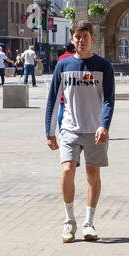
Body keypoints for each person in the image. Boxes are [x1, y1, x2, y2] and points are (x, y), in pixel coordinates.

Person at [44, 20, 114, 243]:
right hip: (70, 129)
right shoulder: (63, 66)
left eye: (85, 36)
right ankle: (69, 220)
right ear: (72, 39)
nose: (81, 40)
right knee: (67, 170)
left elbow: (109, 100)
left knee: (92, 175)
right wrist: (50, 130)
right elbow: (53, 99)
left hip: (95, 130)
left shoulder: (103, 66)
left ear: (92, 39)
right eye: (77, 36)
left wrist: (104, 125)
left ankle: (89, 222)